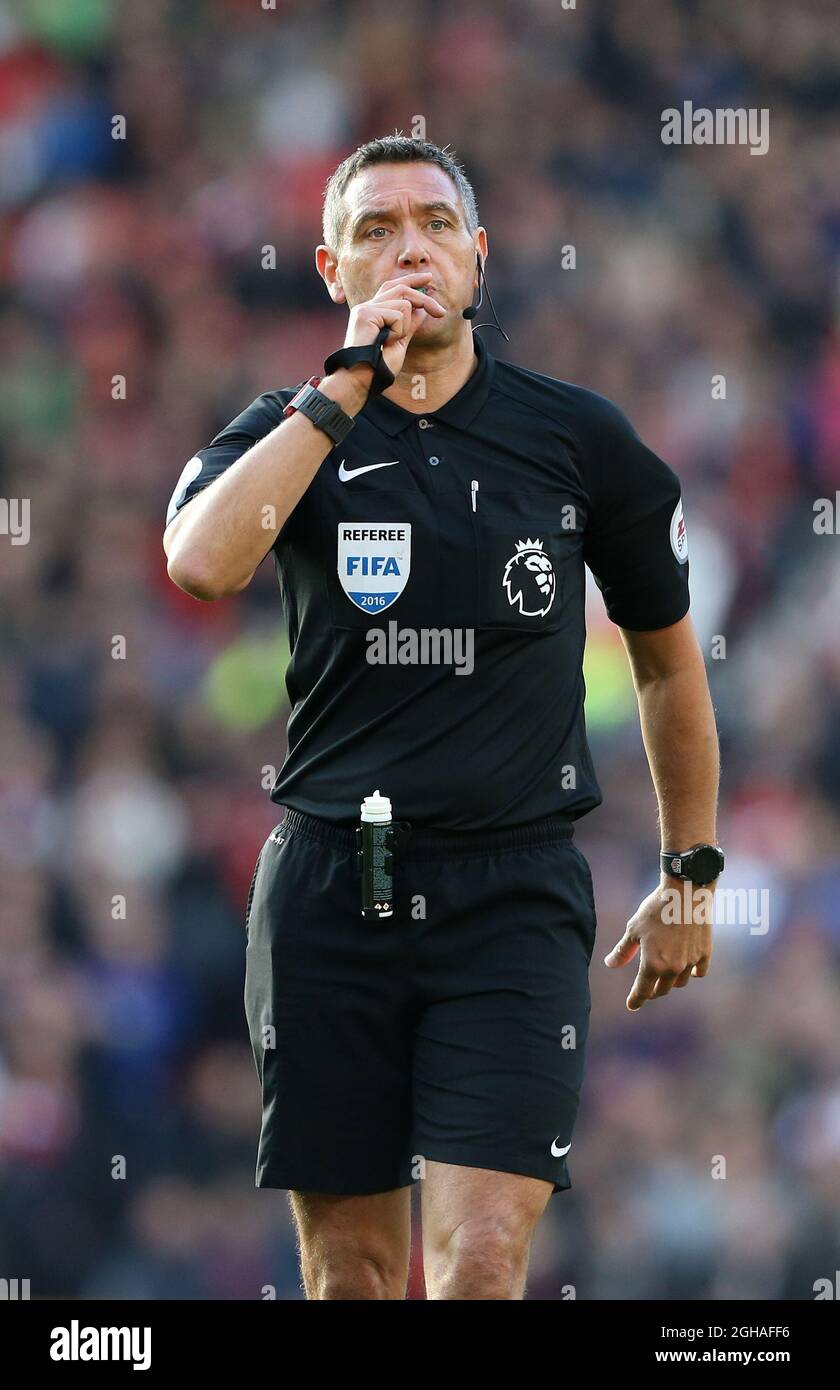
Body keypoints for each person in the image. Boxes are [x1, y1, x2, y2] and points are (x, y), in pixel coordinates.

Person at [163, 135, 722, 1300]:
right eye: (374, 229)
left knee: (479, 1257)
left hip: (510, 894)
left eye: (431, 222)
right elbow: (202, 566)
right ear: (331, 268)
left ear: (479, 253)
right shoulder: (287, 429)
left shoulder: (578, 440)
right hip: (332, 884)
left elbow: (671, 666)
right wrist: (343, 389)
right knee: (354, 1271)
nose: (407, 247)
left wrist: (691, 867)